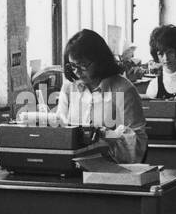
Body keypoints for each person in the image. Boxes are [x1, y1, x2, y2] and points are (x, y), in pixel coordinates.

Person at [55, 28, 147, 163]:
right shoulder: (69, 87)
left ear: (100, 60)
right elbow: (60, 126)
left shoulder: (123, 89)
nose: (77, 72)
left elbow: (138, 142)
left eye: (83, 65)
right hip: (73, 164)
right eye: (73, 66)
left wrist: (104, 135)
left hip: (112, 168)